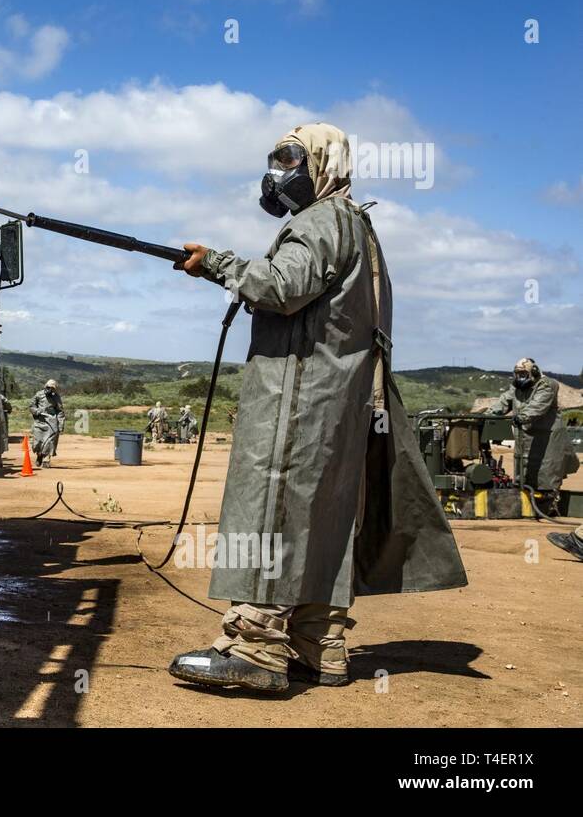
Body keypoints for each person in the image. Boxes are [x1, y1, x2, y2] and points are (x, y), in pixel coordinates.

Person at [165, 122, 467, 693]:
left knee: (269, 511)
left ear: (323, 165)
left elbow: (282, 287)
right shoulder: (357, 224)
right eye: (276, 160)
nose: (278, 173)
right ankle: (317, 643)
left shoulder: (320, 221)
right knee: (323, 521)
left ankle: (255, 646)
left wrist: (217, 265)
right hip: (336, 409)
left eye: (290, 160)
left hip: (296, 403)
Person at [488, 358, 571, 514]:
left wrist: (522, 417)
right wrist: (490, 414)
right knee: (523, 475)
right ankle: (527, 507)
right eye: (517, 373)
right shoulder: (517, 387)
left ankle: (549, 506)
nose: (520, 377)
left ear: (533, 372)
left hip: (547, 438)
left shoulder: (547, 385)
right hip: (525, 436)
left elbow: (538, 405)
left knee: (546, 475)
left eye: (523, 373)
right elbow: (504, 401)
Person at [29, 379, 65, 468]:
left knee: (50, 441)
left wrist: (60, 425)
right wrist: (36, 411)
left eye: (52, 388)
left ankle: (46, 460)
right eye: (48, 387)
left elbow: (60, 411)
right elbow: (31, 406)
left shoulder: (56, 397)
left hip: (52, 422)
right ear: (45, 386)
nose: (49, 389)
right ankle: (39, 455)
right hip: (40, 421)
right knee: (38, 441)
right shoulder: (38, 394)